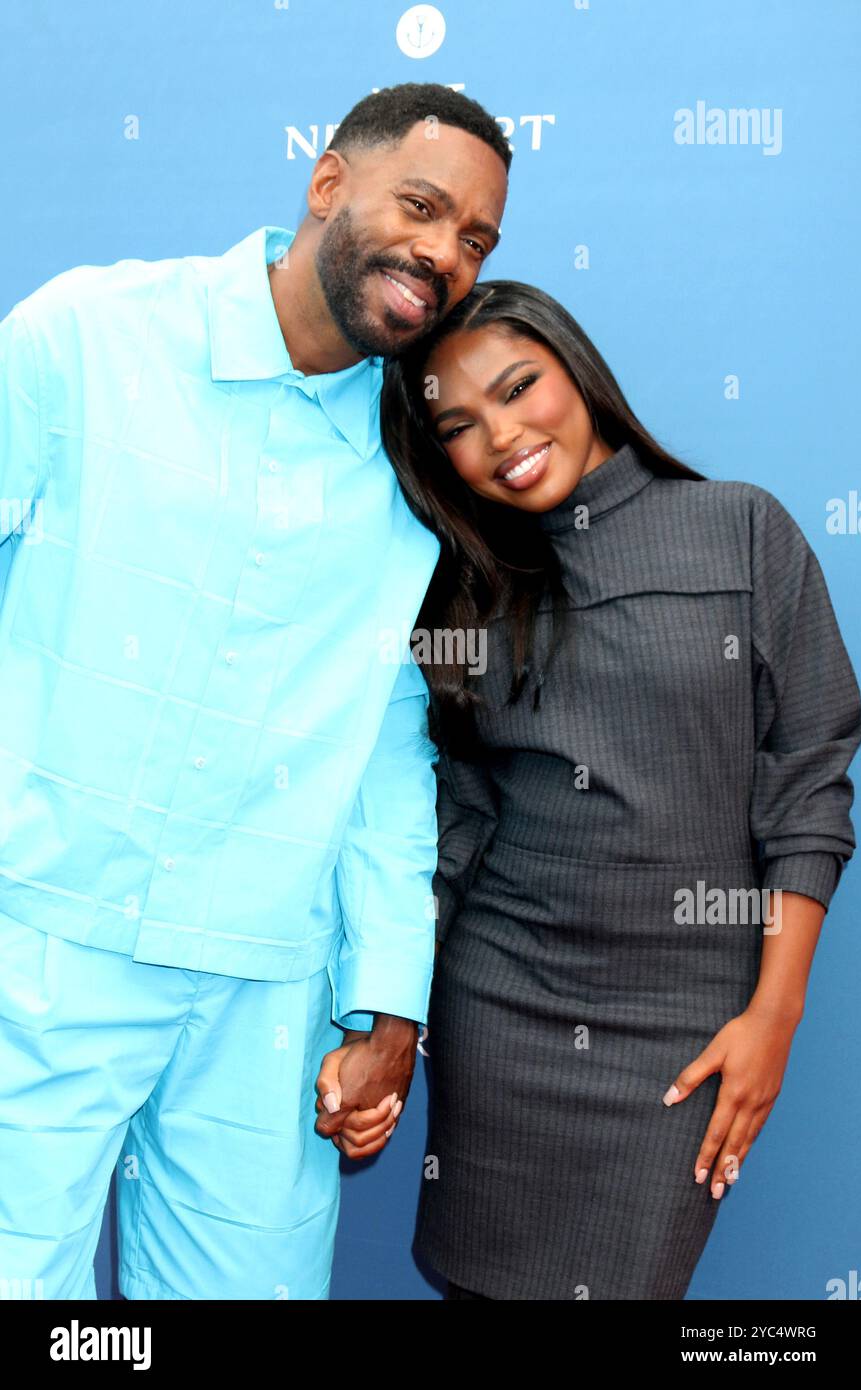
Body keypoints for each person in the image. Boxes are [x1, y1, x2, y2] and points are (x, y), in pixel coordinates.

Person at [0, 83, 508, 1300]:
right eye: (421, 207)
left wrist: (386, 1000)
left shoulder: (418, 459)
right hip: (42, 944)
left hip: (270, 992)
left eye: (474, 239)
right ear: (327, 181)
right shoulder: (87, 335)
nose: (442, 254)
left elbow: (387, 749)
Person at [379, 279, 861, 1300]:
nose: (501, 436)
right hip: (499, 1008)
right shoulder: (462, 591)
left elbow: (809, 784)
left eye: (519, 387)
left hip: (687, 1023)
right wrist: (386, 1017)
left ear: (578, 370)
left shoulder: (741, 528)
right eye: (458, 426)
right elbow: (459, 820)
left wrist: (773, 1016)